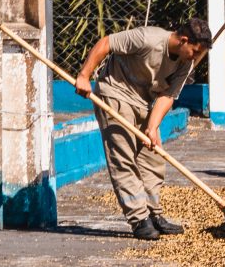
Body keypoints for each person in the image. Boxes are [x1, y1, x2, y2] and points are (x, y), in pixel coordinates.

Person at [71, 18, 213, 241]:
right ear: (184, 40)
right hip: (115, 94)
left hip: (144, 102)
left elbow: (168, 95)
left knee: (153, 159)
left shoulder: (185, 64)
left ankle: (152, 213)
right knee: (123, 158)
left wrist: (153, 126)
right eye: (194, 52)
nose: (195, 58)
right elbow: (106, 43)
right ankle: (139, 219)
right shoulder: (148, 38)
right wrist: (84, 75)